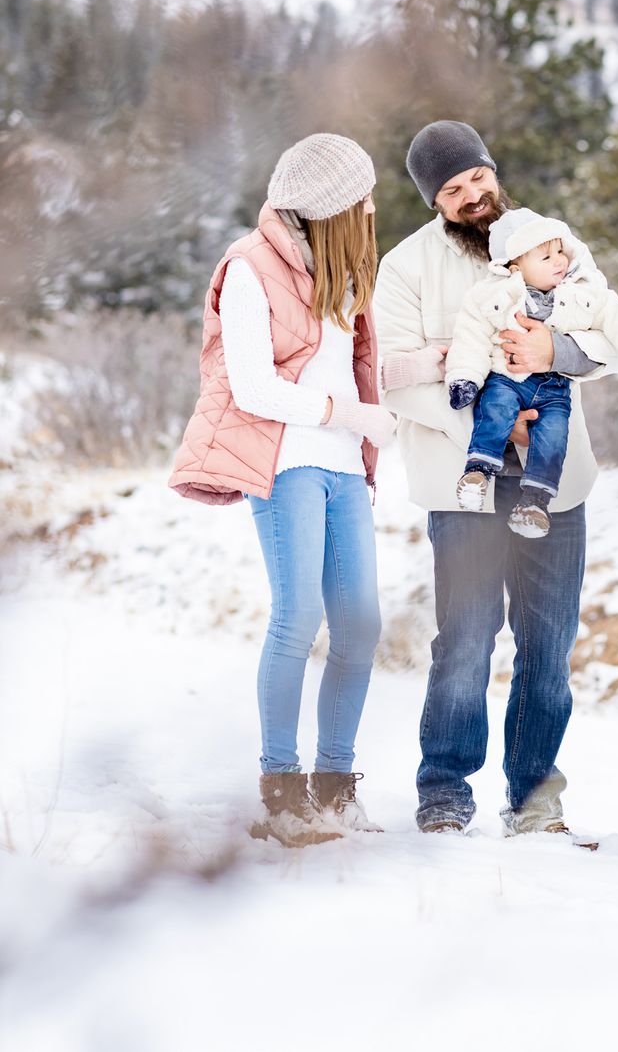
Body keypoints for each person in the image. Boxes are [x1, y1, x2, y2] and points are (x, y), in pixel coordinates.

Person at [374, 120, 618, 840]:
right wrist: (493, 423)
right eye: (452, 189)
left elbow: (610, 338)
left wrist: (558, 347)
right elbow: (393, 380)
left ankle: (533, 797)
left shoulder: (552, 242)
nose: (471, 195)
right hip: (465, 485)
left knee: (547, 649)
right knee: (465, 638)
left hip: (556, 482)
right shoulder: (405, 267)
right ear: (434, 201)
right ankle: (445, 790)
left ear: (493, 168)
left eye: (476, 177)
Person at [170, 134, 396, 847]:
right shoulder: (247, 266)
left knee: (360, 623)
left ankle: (334, 784)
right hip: (286, 461)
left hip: (341, 468)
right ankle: (279, 787)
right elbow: (253, 385)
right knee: (298, 616)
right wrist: (347, 415)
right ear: (330, 206)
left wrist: (418, 377)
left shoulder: (345, 273)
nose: (372, 204)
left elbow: (347, 366)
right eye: (362, 195)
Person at [447, 207, 618, 537]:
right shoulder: (492, 295)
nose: (559, 260)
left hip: (554, 388)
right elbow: (470, 338)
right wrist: (465, 379)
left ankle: (535, 501)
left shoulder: (582, 291)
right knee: (496, 410)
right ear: (515, 267)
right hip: (507, 378)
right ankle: (478, 470)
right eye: (546, 257)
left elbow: (617, 316)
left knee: (553, 437)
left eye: (560, 250)